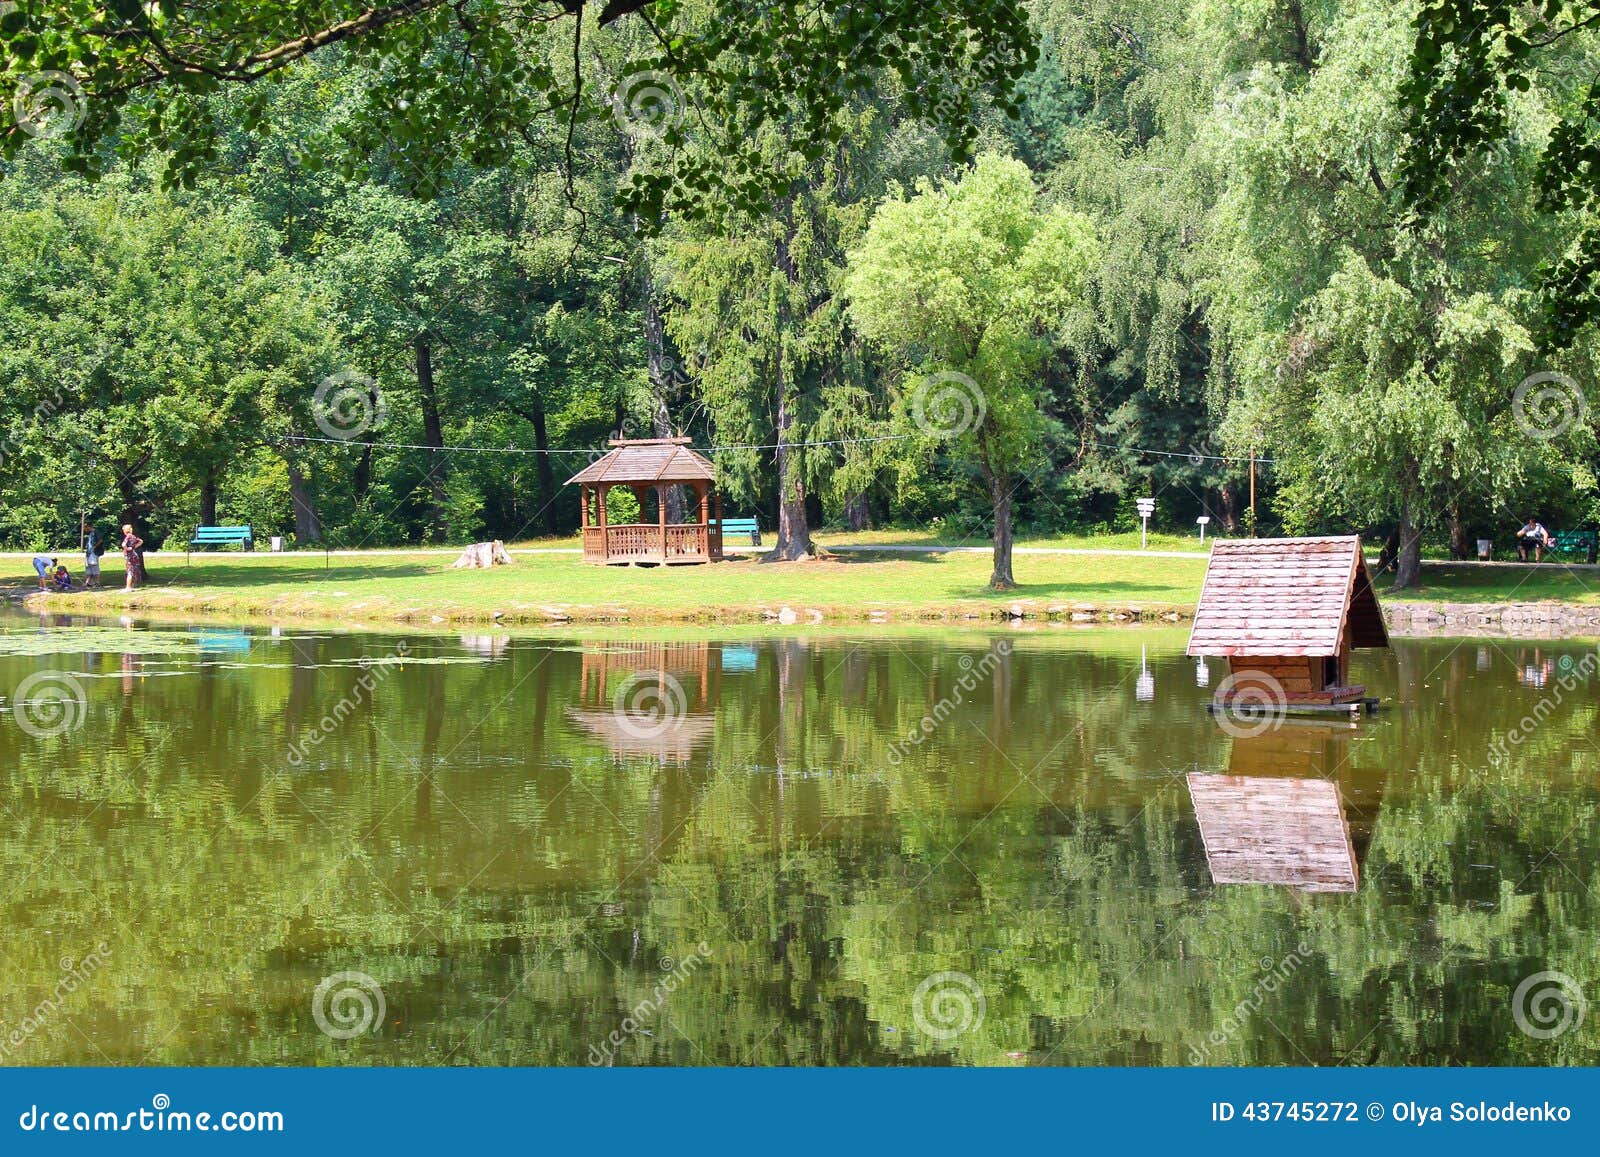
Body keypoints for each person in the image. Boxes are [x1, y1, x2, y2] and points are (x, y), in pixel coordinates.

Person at [120, 523, 144, 590]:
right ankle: (132, 586)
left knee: (129, 571)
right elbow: (141, 541)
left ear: (125, 531)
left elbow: (123, 544)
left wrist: (127, 549)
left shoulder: (128, 536)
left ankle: (128, 587)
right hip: (134, 555)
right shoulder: (133, 536)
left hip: (129, 556)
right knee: (134, 571)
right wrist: (134, 547)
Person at [83, 525, 102, 589]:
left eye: (85, 528)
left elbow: (100, 540)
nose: (84, 530)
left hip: (94, 552)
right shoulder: (91, 533)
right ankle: (89, 582)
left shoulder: (96, 532)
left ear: (88, 527)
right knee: (88, 567)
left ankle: (97, 582)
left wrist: (95, 547)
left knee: (94, 567)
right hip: (89, 552)